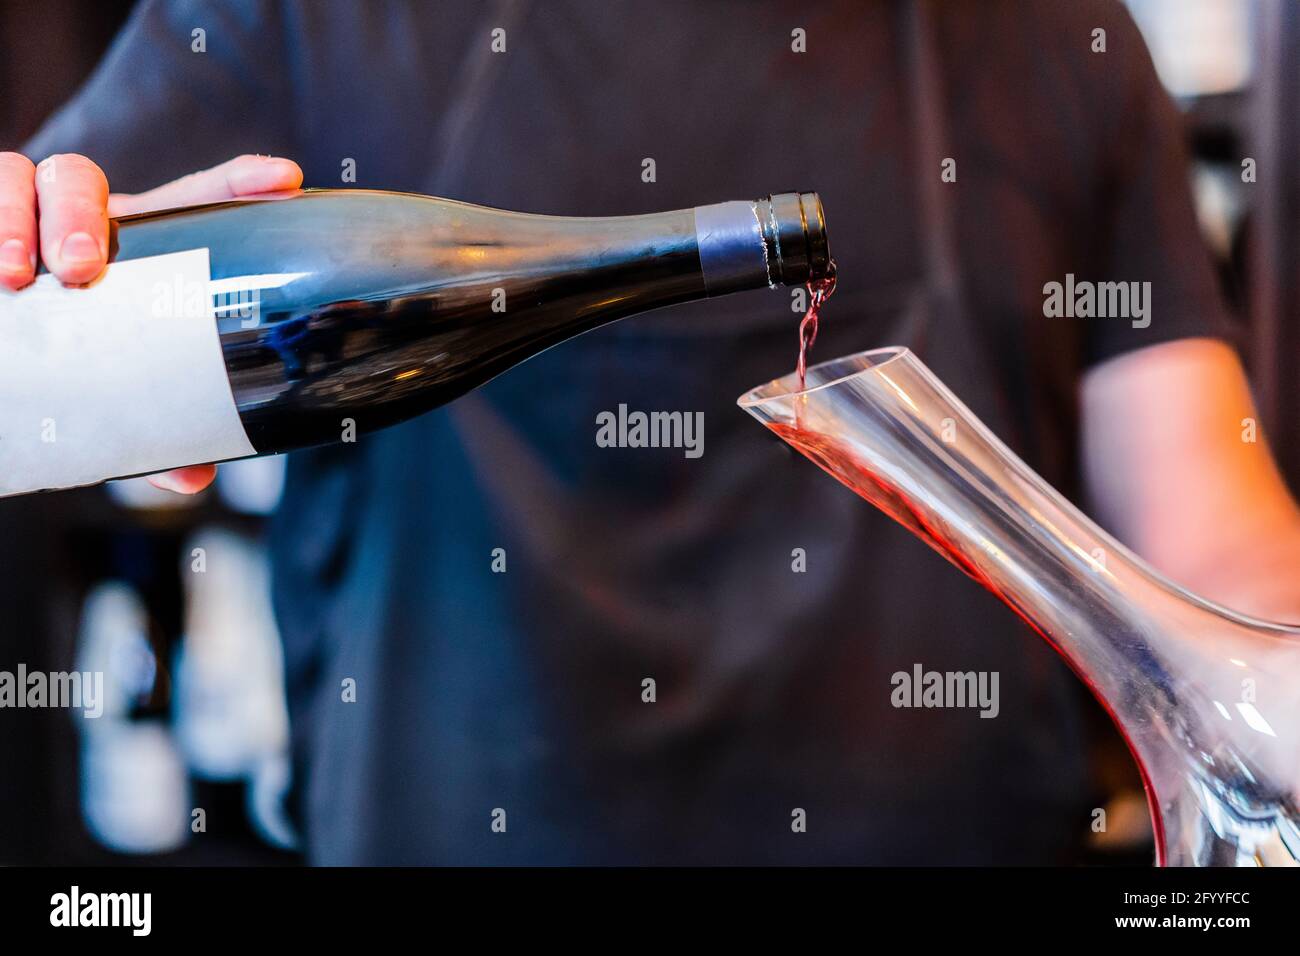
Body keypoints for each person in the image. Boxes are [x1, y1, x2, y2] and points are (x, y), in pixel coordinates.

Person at [5, 0, 1299, 864]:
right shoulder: (306, 14)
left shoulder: (1048, 33)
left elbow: (1219, 550)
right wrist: (43, 274)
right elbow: (33, 354)